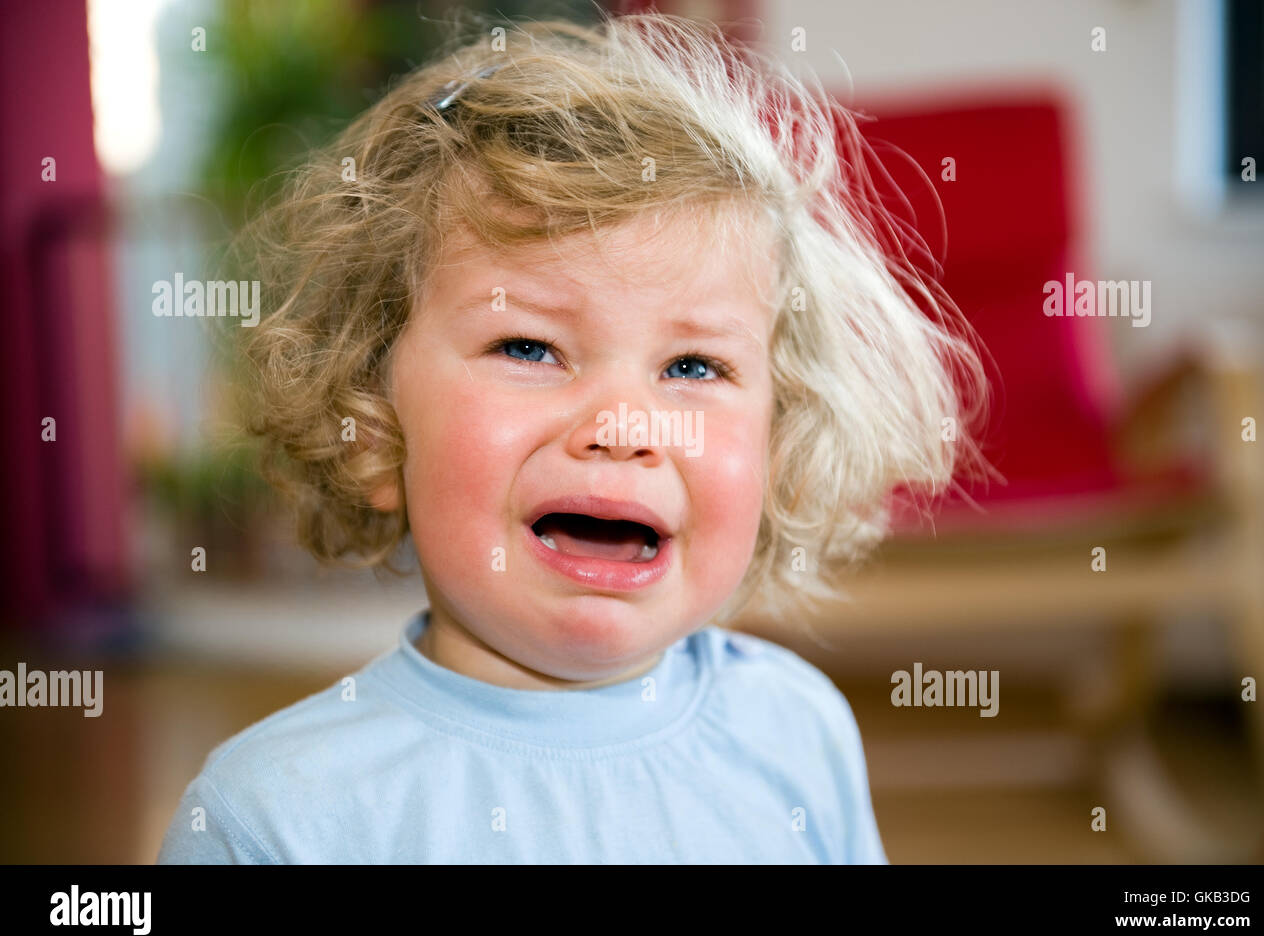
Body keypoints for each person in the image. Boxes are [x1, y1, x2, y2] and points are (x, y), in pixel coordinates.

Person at [157, 10, 984, 864]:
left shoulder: (799, 732)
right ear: (374, 430)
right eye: (528, 347)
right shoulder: (276, 815)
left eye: (695, 366)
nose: (621, 428)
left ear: (780, 442)